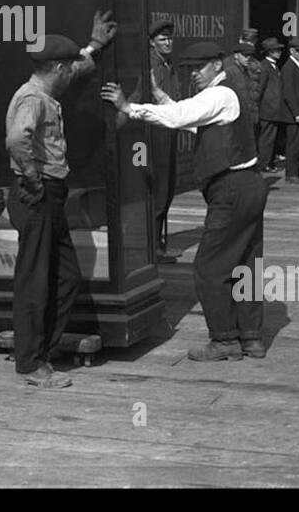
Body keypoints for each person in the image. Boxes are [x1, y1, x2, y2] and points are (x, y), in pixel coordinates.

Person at [102, 41, 267, 361]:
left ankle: (223, 340)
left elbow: (180, 116)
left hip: (230, 190)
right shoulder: (230, 93)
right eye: (190, 68)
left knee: (208, 267)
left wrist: (128, 108)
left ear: (217, 65)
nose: (194, 73)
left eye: (200, 67)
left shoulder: (219, 94)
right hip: (250, 185)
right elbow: (195, 120)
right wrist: (161, 97)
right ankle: (251, 337)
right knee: (246, 263)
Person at [4, 12, 117, 389]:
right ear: (55, 67)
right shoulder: (33, 99)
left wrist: (95, 46)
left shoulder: (46, 89)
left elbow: (80, 66)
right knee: (35, 280)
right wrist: (33, 177)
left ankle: (42, 350)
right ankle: (30, 363)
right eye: (68, 66)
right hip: (36, 193)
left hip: (51, 194)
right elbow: (18, 139)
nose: (75, 71)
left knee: (65, 274)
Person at [138, 19, 184, 263]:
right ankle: (154, 246)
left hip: (168, 131)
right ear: (152, 42)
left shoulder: (166, 63)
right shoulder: (151, 65)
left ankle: (158, 242)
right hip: (156, 134)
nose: (168, 42)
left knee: (166, 188)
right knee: (159, 188)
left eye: (169, 38)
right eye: (162, 39)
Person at [279, 37, 299, 182]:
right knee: (294, 145)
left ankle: (297, 171)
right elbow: (289, 93)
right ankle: (291, 174)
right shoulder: (288, 68)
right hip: (294, 115)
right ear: (291, 51)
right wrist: (296, 112)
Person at [255, 37, 286, 173]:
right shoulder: (265, 66)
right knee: (267, 138)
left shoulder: (273, 66)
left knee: (272, 138)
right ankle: (264, 163)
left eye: (279, 49)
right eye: (275, 50)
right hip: (267, 110)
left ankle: (270, 162)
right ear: (269, 52)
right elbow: (260, 88)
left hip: (274, 109)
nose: (279, 52)